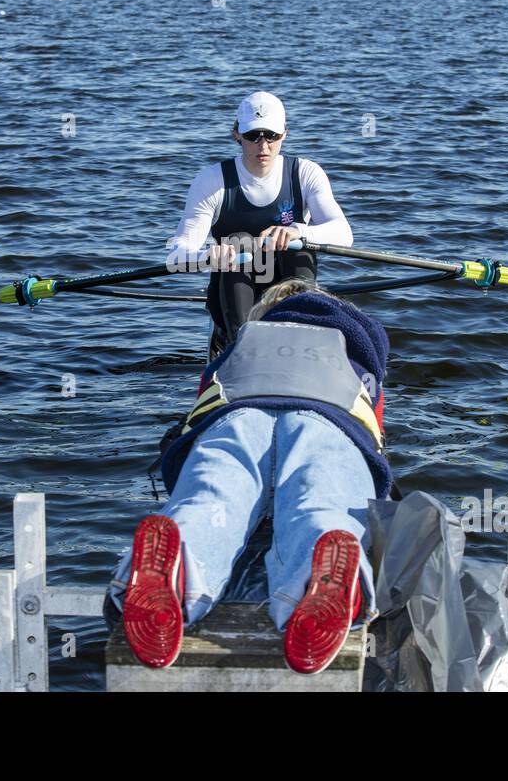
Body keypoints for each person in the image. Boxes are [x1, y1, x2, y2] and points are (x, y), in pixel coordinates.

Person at [106, 278, 391, 675]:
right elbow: (376, 435)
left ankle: (181, 564)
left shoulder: (242, 347)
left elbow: (196, 414)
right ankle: (317, 575)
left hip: (238, 414)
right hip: (328, 421)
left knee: (211, 498)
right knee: (322, 502)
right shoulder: (357, 346)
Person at [166, 91, 354, 359]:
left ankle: (300, 333)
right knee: (239, 243)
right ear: (237, 134)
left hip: (287, 284)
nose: (263, 146)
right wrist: (207, 256)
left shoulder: (306, 173)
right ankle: (238, 344)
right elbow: (176, 254)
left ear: (285, 134)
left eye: (272, 136)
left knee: (298, 246)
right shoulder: (212, 182)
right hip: (233, 290)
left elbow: (344, 234)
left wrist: (297, 230)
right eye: (254, 136)